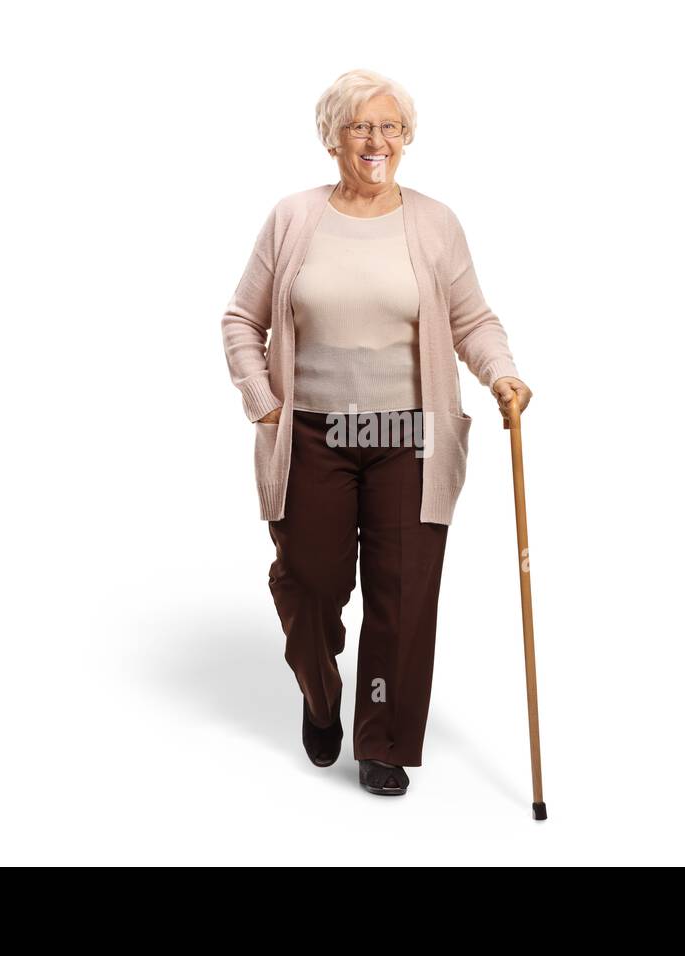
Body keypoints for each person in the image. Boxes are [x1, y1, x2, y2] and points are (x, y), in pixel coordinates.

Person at [220, 68, 532, 797]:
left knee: (401, 597)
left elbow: (471, 321)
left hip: (411, 439)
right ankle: (321, 689)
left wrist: (502, 375)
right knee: (307, 583)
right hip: (311, 436)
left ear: (407, 138)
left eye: (390, 127)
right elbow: (242, 319)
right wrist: (264, 401)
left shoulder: (433, 222)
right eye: (362, 126)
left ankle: (383, 739)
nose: (377, 140)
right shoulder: (294, 218)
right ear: (333, 137)